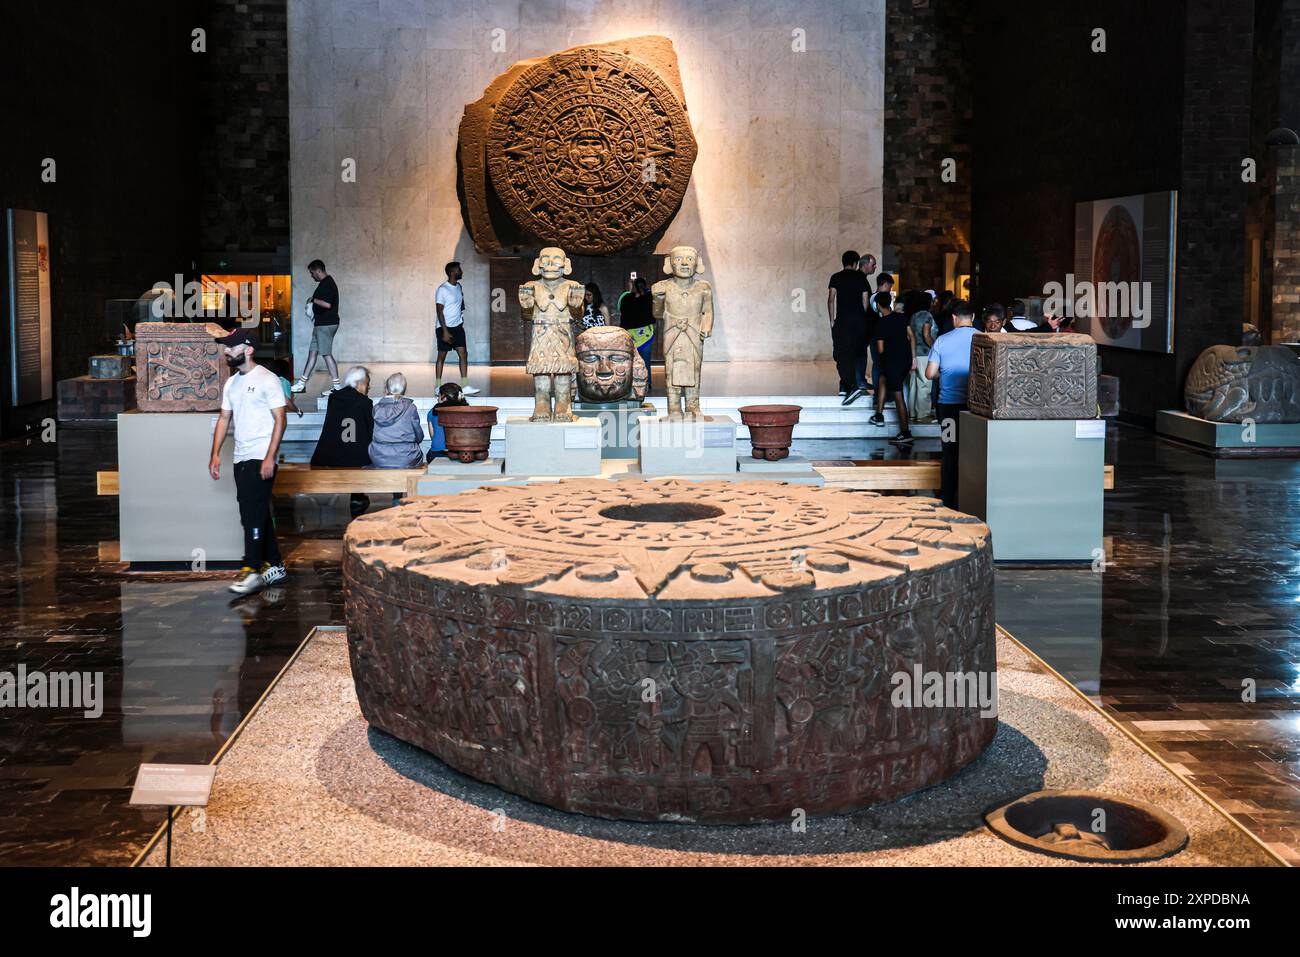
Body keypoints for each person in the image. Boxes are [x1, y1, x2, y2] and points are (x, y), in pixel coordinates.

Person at [208, 329, 287, 596]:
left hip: (261, 455)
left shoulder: (268, 379)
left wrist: (269, 457)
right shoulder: (232, 384)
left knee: (250, 514)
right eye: (226, 346)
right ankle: (274, 564)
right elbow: (223, 419)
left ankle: (251, 569)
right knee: (256, 510)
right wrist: (216, 453)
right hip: (241, 456)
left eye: (232, 346)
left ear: (249, 349)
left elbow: (280, 419)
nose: (227, 350)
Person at [925, 299, 978, 510]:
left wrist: (944, 373)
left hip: (948, 407)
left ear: (954, 319)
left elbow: (929, 373)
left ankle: (948, 498)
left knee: (949, 450)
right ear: (972, 318)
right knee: (974, 450)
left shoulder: (942, 341)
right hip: (975, 410)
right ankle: (972, 495)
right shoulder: (983, 339)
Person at [311, 365, 374, 513]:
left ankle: (358, 498)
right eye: (368, 383)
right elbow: (371, 431)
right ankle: (357, 498)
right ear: (361, 382)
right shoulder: (365, 402)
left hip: (332, 456)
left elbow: (330, 426)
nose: (369, 387)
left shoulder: (334, 398)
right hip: (358, 458)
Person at [869, 291, 916, 443]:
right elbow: (912, 337)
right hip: (906, 360)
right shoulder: (902, 317)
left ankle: (905, 432)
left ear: (877, 305)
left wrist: (883, 362)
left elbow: (881, 349)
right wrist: (913, 357)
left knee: (898, 396)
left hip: (893, 362)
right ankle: (879, 414)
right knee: (883, 379)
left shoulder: (880, 324)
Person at [291, 259, 341, 396]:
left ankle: (337, 387)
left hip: (326, 324)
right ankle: (301, 383)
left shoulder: (328, 284)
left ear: (318, 270)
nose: (311, 276)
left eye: (312, 273)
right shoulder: (325, 284)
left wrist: (312, 300)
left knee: (326, 354)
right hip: (320, 324)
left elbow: (327, 304)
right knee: (312, 353)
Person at [827, 250, 871, 402]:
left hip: (842, 321)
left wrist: (832, 320)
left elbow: (831, 300)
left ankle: (845, 385)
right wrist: (863, 318)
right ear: (855, 263)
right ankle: (852, 385)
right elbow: (865, 301)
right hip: (858, 322)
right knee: (856, 353)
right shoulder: (861, 278)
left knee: (841, 353)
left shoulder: (836, 277)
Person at [435, 261, 481, 396]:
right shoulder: (442, 289)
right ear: (452, 273)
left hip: (457, 327)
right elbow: (439, 310)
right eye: (459, 270)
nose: (461, 272)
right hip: (444, 327)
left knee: (463, 354)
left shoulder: (459, 286)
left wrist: (460, 319)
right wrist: (444, 331)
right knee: (441, 356)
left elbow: (460, 304)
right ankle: (437, 386)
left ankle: (465, 385)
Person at [369, 373, 425, 469]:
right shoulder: (410, 408)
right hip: (406, 457)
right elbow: (418, 435)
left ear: (386, 389)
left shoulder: (376, 408)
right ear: (404, 389)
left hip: (379, 457)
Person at [906, 290, 935, 421]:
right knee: (925, 384)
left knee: (914, 385)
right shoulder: (927, 315)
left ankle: (912, 413)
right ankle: (923, 414)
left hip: (913, 353)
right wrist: (935, 348)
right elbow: (926, 335)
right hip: (924, 353)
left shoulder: (913, 316)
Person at [617, 276, 656, 373]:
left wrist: (629, 290)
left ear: (634, 287)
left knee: (630, 360)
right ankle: (647, 383)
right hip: (646, 334)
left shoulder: (626, 298)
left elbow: (619, 308)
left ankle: (632, 382)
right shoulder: (650, 297)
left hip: (630, 334)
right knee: (645, 360)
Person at [866, 272, 895, 398]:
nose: (890, 289)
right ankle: (880, 393)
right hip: (878, 337)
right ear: (885, 284)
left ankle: (881, 393)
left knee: (879, 364)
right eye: (890, 286)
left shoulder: (872, 297)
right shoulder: (877, 299)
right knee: (879, 364)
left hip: (876, 336)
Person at [426, 382, 469, 463]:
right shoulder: (466, 411)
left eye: (438, 395)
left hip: (437, 455)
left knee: (429, 454)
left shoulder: (432, 412)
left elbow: (433, 436)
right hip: (461, 454)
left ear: (444, 397)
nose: (437, 398)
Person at [855, 253, 878, 389]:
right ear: (865, 264)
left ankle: (859, 380)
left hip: (860, 323)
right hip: (861, 324)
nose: (875, 267)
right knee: (861, 353)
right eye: (873, 264)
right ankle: (860, 381)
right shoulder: (861, 280)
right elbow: (865, 304)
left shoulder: (861, 279)